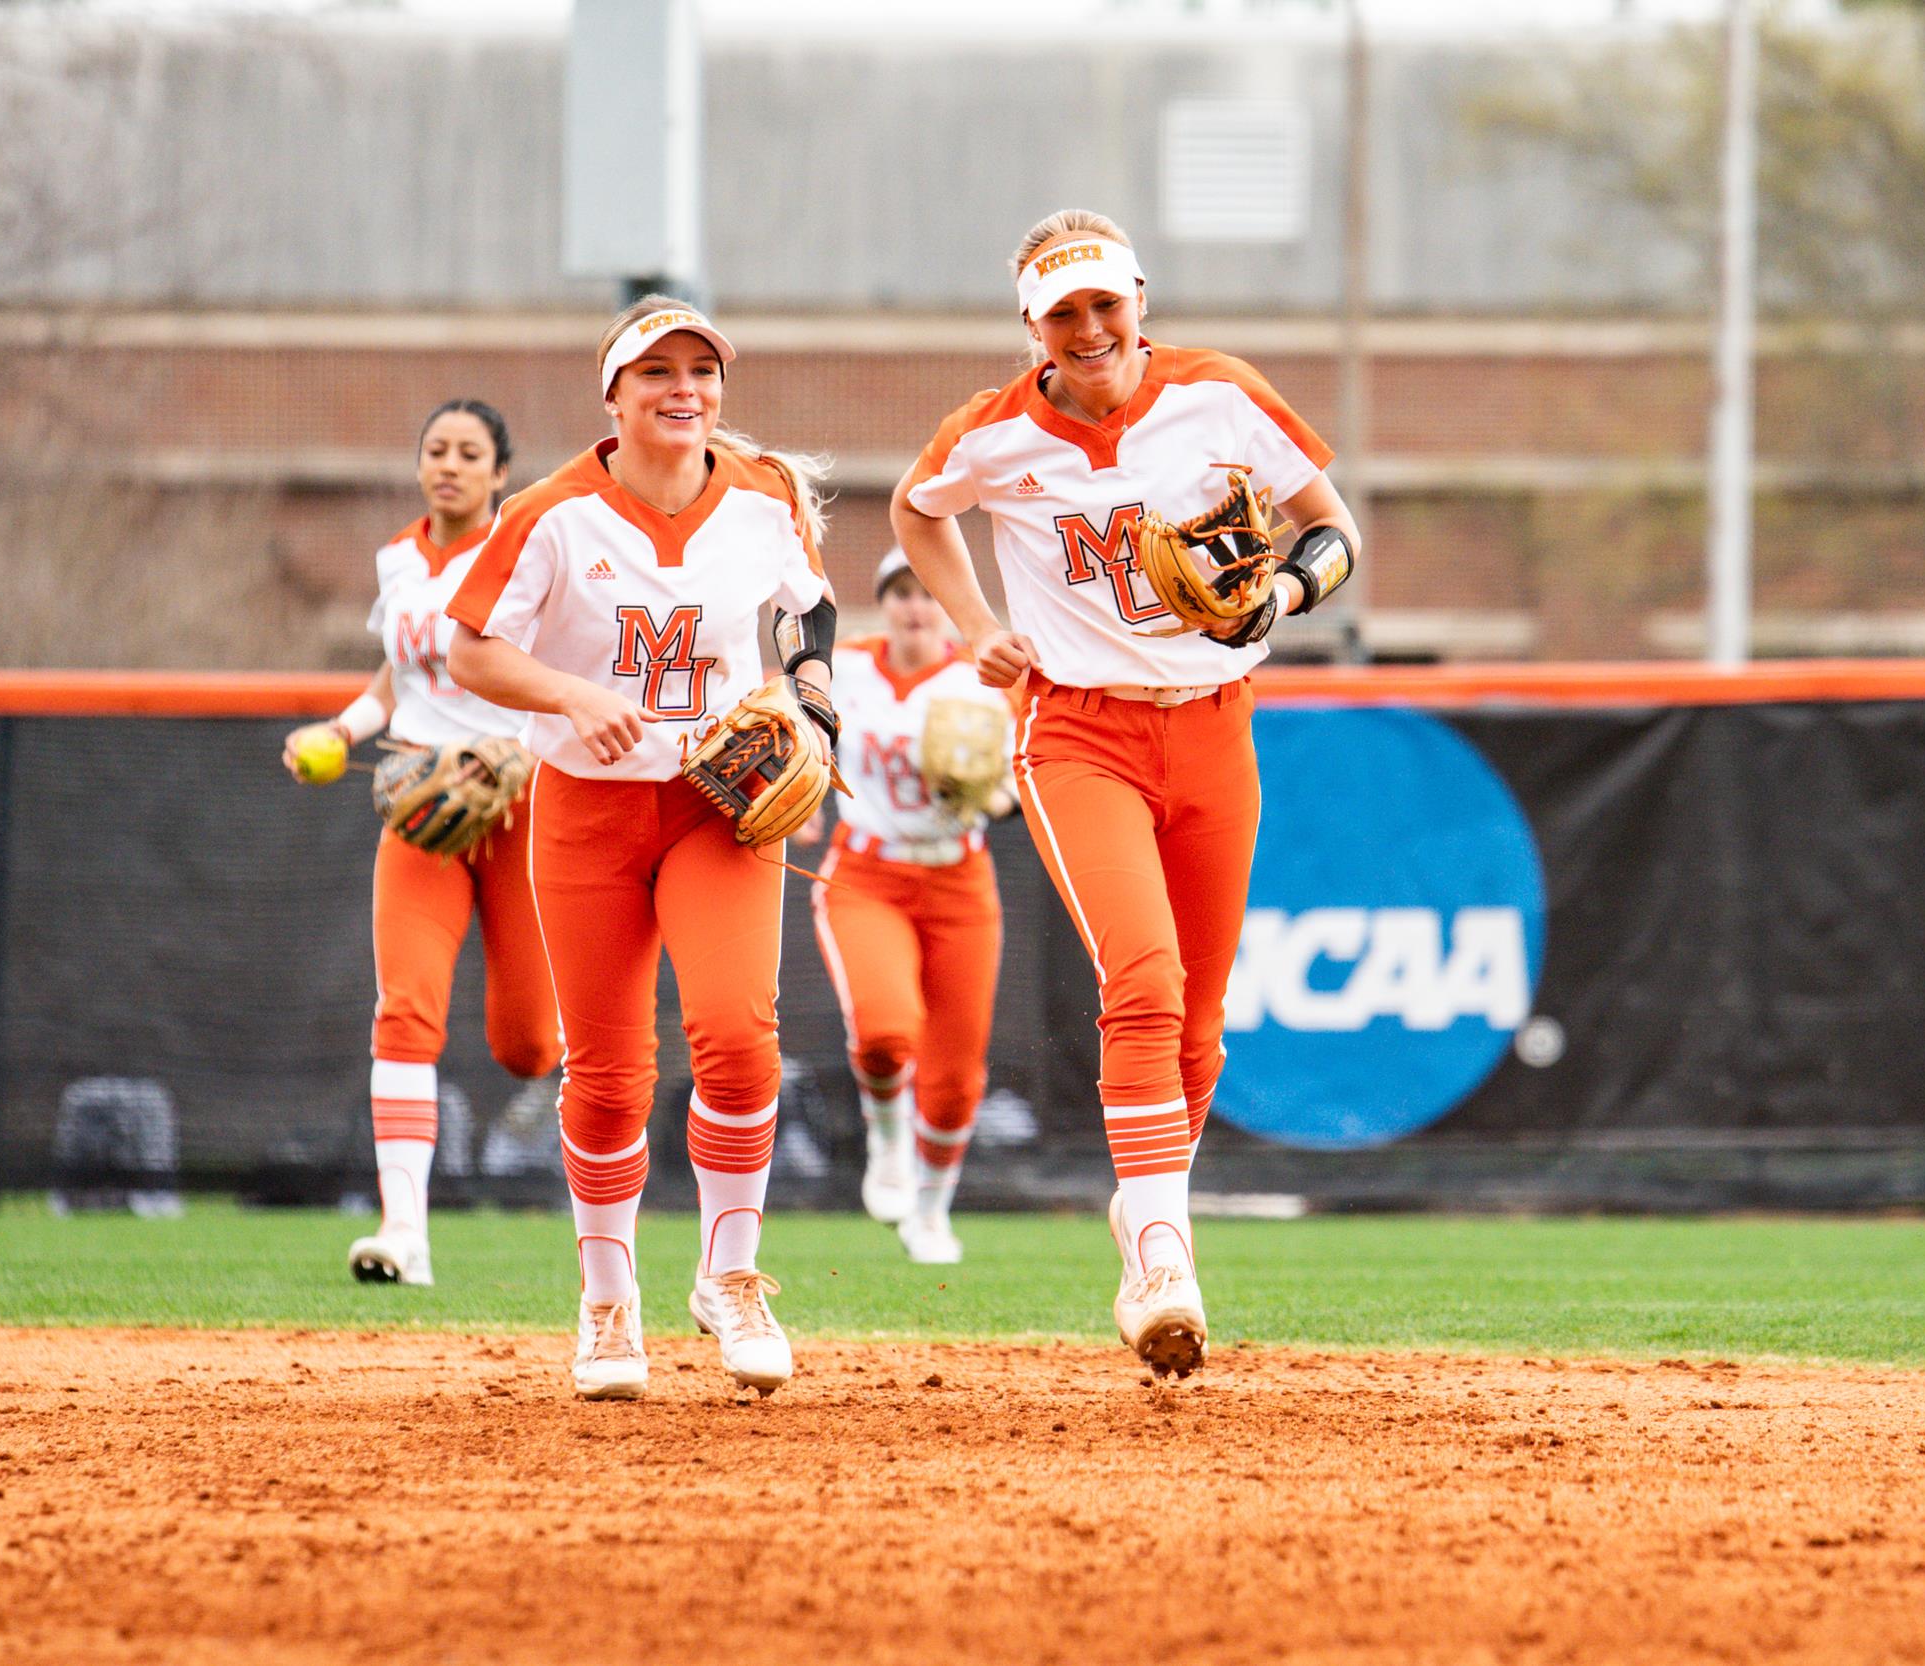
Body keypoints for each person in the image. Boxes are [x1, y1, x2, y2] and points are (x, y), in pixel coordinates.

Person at [890, 211, 1362, 1378]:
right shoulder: (996, 434)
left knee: (1200, 1026)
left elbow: (1332, 527)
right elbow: (916, 507)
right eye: (1064, 312)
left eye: (1106, 302)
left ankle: (1143, 1206)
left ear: (1140, 297)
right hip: (1076, 731)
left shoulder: (1220, 396)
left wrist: (1284, 602)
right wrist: (977, 626)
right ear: (1032, 328)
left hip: (1214, 723)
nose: (1090, 328)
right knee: (1141, 978)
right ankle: (1160, 1252)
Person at [444, 298, 840, 1401]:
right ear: (612, 395)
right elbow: (470, 649)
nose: (684, 390)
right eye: (657, 371)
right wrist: (570, 692)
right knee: (611, 1072)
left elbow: (809, 617)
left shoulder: (759, 500)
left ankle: (730, 1276)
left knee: (739, 1038)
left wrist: (813, 704)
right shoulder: (555, 513)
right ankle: (608, 1299)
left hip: (718, 802)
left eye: (701, 372)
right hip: (587, 807)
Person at [282, 398, 561, 1290]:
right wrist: (343, 727)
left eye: (469, 452)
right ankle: (405, 1231)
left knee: (528, 1048)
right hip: (421, 807)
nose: (449, 464)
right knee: (404, 1012)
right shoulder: (399, 559)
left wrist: (522, 748)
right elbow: (393, 681)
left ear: (500, 472)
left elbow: (566, 669)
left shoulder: (525, 549)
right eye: (435, 448)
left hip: (517, 806)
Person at [810, 549, 1011, 1265]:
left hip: (958, 882)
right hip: (868, 872)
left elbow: (1020, 784)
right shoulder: (845, 667)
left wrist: (995, 796)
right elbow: (796, 732)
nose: (915, 606)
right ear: (883, 601)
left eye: (927, 592)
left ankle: (930, 1211)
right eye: (900, 592)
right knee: (887, 1034)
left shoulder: (986, 680)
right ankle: (887, 1135)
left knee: (956, 1079)